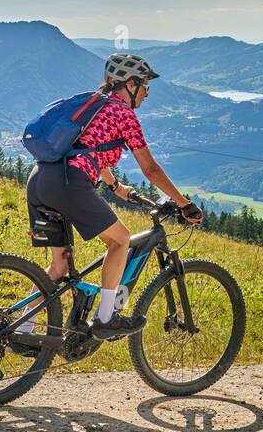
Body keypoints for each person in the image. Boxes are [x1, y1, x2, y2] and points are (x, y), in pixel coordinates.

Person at [22, 53, 202, 341]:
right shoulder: (123, 114)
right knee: (120, 240)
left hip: (41, 180)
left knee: (59, 266)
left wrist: (116, 187)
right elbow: (151, 169)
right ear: (130, 84)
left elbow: (88, 150)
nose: (146, 93)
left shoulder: (94, 106)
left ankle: (22, 328)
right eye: (145, 86)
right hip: (70, 183)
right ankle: (106, 318)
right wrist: (184, 204)